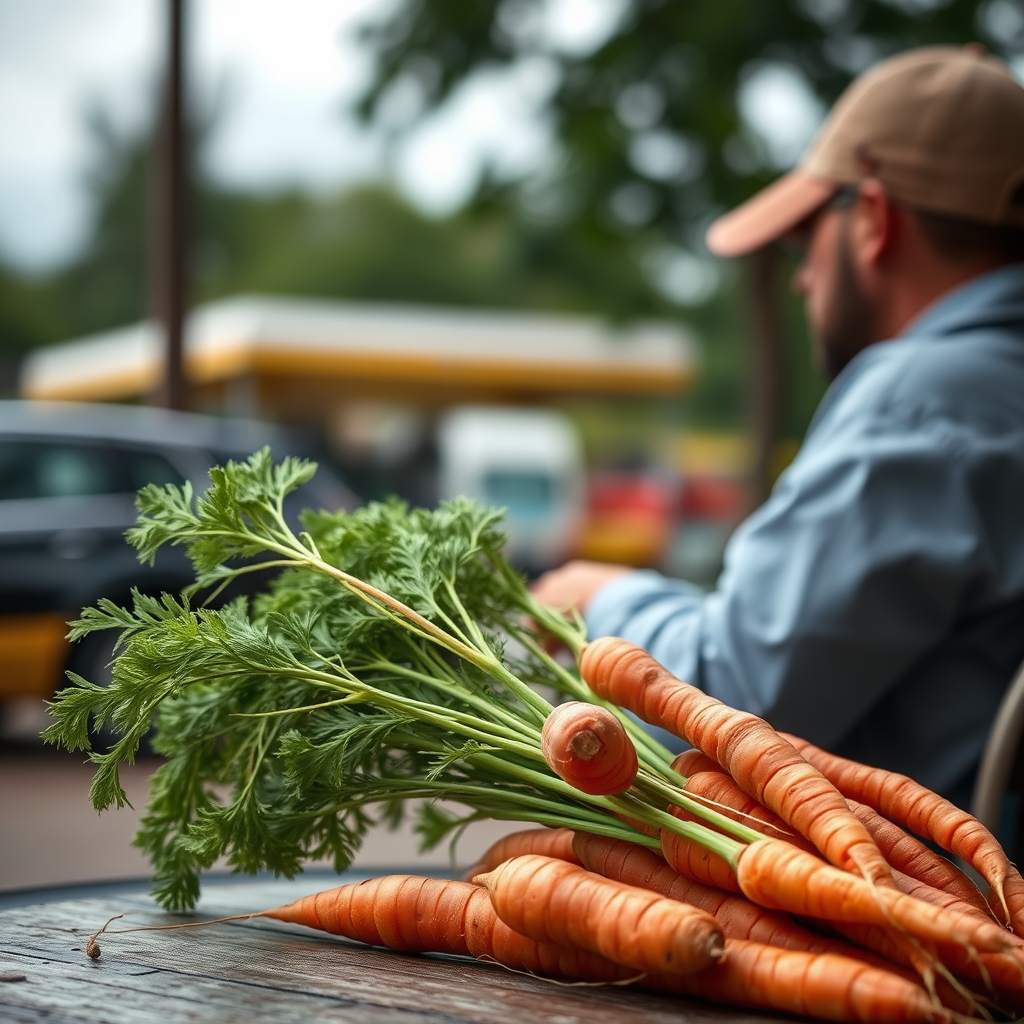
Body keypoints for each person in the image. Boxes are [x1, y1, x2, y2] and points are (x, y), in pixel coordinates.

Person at [531, 45, 1024, 811]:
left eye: (804, 244)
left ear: (873, 220)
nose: (800, 278)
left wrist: (605, 601)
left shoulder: (922, 397)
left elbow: (733, 706)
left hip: (927, 906)